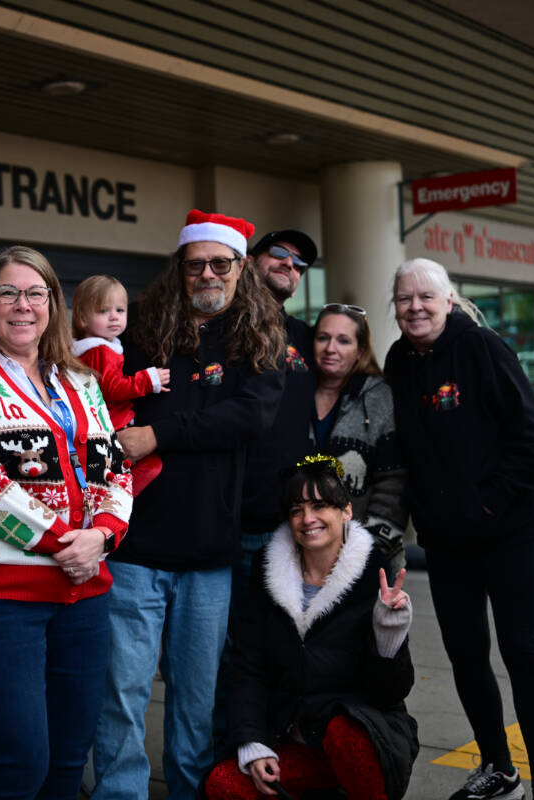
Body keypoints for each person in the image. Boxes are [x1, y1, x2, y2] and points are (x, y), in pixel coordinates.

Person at [0, 245, 133, 799]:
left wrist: (105, 535)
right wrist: (67, 542)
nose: (23, 305)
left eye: (35, 293)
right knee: (16, 764)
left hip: (82, 596)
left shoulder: (80, 382)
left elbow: (116, 469)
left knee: (65, 766)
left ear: (53, 304)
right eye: (9, 292)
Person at [93, 209, 286, 800]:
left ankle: (188, 792)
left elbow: (249, 416)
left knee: (196, 705)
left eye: (219, 263)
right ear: (179, 269)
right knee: (121, 697)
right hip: (135, 548)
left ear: (240, 269)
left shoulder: (257, 337)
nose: (207, 273)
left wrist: (164, 434)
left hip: (209, 554)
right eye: (195, 263)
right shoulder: (141, 332)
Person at [384, 258, 534, 800]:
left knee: (524, 653)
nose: (415, 307)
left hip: (512, 535)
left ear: (449, 299)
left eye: (426, 297)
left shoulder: (483, 348)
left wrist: (488, 508)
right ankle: (499, 767)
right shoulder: (398, 362)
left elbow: (533, 441)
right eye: (405, 298)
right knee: (466, 654)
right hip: (447, 542)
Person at [207, 456, 418, 800]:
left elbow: (389, 694)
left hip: (362, 743)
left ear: (346, 511)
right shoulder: (268, 573)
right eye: (296, 509)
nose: (307, 519)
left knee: (343, 733)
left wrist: (388, 635)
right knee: (224, 785)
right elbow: (249, 666)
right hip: (296, 743)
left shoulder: (372, 575)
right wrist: (253, 743)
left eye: (320, 505)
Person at [215, 229, 318, 759]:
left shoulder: (302, 334)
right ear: (249, 261)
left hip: (289, 526)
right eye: (279, 255)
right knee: (226, 653)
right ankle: (223, 762)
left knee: (278, 648)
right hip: (229, 522)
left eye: (299, 264)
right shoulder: (223, 325)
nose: (289, 266)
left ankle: (264, 753)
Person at [309, 303, 408, 572]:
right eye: (323, 338)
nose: (331, 348)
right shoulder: (294, 393)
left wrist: (369, 551)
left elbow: (394, 481)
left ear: (360, 351)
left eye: (344, 341)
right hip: (303, 557)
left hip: (367, 557)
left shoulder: (380, 397)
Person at [71, 274, 170, 493]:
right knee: (152, 466)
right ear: (82, 318)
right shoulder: (100, 351)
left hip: (101, 423)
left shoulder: (99, 347)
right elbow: (112, 389)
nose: (114, 317)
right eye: (103, 311)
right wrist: (148, 380)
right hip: (112, 423)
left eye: (120, 310)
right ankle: (119, 498)